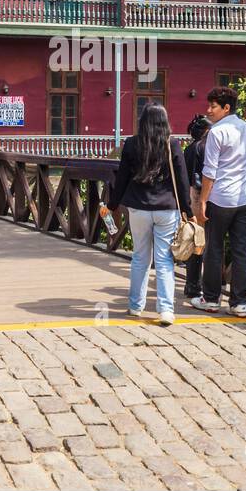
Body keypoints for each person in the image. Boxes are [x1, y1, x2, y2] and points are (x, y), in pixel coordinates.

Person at [101, 104, 190, 326]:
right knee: (164, 259)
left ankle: (135, 305)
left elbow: (121, 178)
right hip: (167, 209)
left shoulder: (132, 143)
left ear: (143, 121)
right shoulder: (172, 144)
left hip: (138, 208)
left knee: (140, 257)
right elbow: (182, 180)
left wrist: (112, 204)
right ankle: (166, 310)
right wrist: (188, 210)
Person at [191, 86, 246, 317]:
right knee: (240, 250)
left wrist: (202, 202)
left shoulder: (217, 132)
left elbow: (210, 172)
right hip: (245, 197)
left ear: (226, 107)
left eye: (213, 106)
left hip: (220, 198)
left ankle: (211, 299)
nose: (208, 110)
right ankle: (239, 303)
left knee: (214, 248)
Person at [182, 114, 211, 300]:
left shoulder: (190, 148)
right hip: (201, 198)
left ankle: (192, 284)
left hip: (191, 198)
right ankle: (198, 285)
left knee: (195, 241)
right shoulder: (205, 147)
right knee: (202, 242)